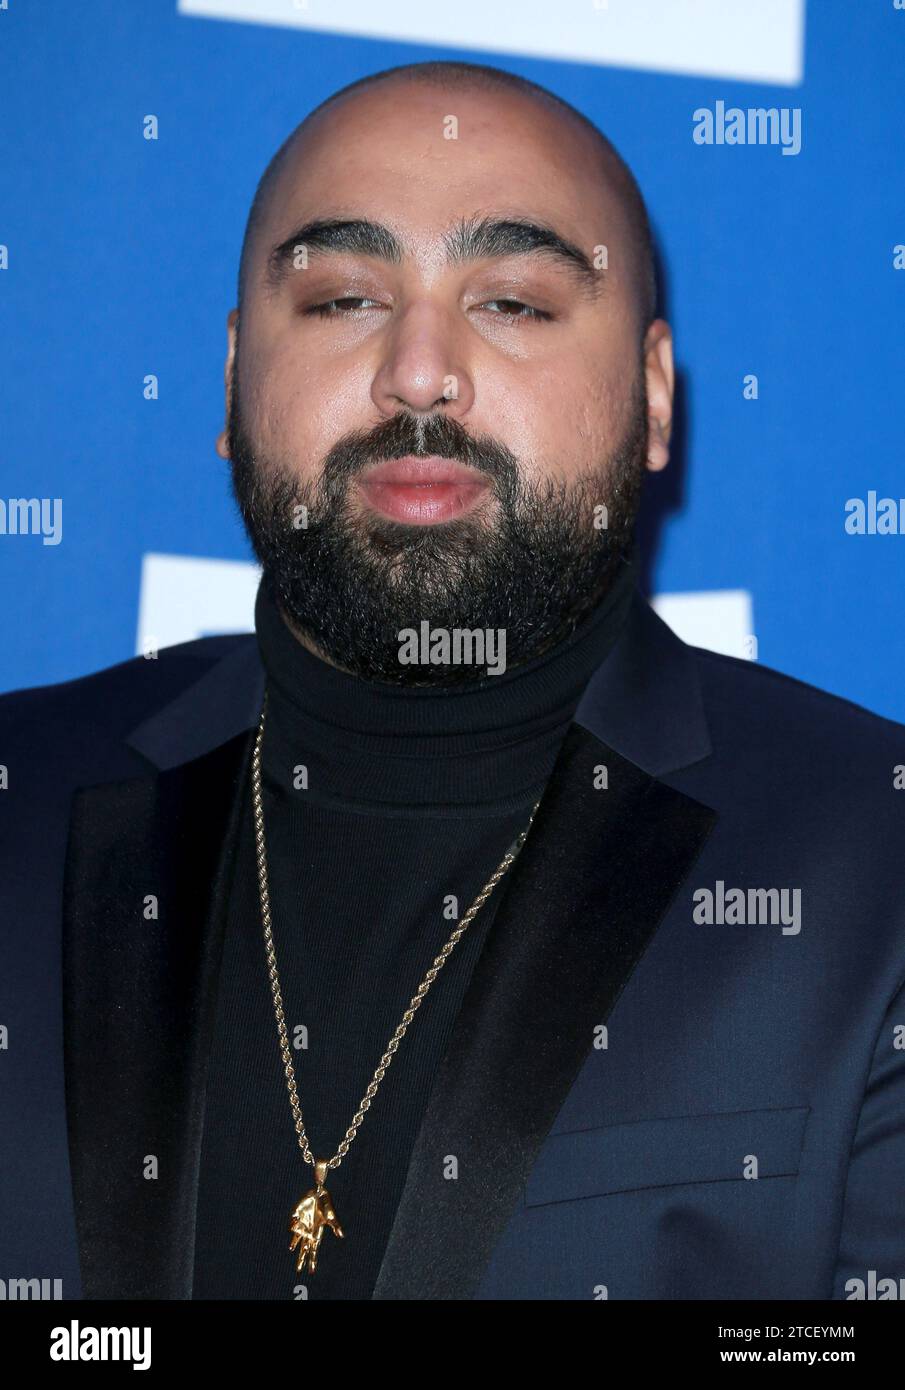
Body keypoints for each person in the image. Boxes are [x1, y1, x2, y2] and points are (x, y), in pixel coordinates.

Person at [1, 59, 903, 1303]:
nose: (418, 374)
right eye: (342, 299)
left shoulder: (877, 857)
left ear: (651, 396)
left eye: (517, 302)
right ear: (227, 382)